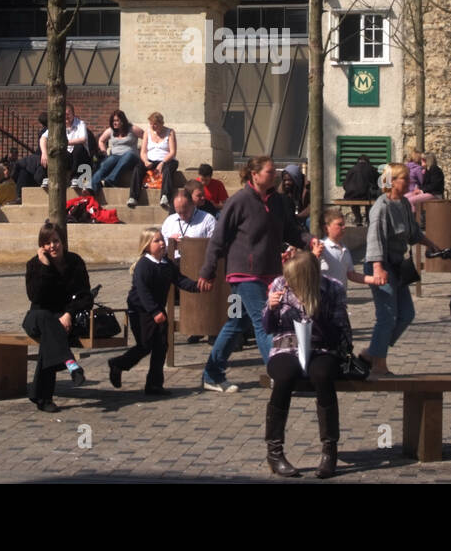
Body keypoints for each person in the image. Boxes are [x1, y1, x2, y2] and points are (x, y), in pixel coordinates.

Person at [197, 155, 320, 393]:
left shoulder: (279, 203)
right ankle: (279, 374)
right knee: (264, 321)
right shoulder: (239, 201)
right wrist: (207, 270)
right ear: (254, 174)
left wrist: (311, 240)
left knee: (237, 322)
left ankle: (212, 374)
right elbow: (218, 239)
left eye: (274, 171)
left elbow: (292, 232)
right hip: (244, 274)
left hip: (270, 273)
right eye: (269, 171)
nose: (274, 175)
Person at [262, 250, 352, 478]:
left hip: (321, 347)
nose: (289, 282)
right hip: (287, 345)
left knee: (322, 375)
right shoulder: (280, 284)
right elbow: (269, 327)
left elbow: (342, 334)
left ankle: (329, 450)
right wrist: (271, 309)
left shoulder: (332, 288)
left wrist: (316, 313)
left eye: (295, 278)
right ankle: (275, 452)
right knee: (284, 376)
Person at [363, 162, 438, 376]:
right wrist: (378, 268)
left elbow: (413, 233)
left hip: (398, 266)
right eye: (404, 178)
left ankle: (373, 351)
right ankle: (379, 365)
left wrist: (433, 245)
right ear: (392, 181)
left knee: (406, 314)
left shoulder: (404, 204)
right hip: (380, 265)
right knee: (386, 316)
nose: (409, 182)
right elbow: (374, 239)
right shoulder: (381, 206)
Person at [107, 228, 200, 396]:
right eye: (156, 241)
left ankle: (154, 385)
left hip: (157, 311)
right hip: (140, 310)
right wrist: (155, 311)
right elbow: (143, 292)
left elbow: (180, 280)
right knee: (144, 345)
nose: (162, 243)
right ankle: (118, 364)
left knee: (161, 345)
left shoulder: (166, 264)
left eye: (162, 240)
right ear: (147, 245)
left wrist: (197, 286)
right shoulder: (144, 265)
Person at [23, 222, 92, 412]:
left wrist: (69, 313)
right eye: (46, 243)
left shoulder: (75, 262)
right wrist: (45, 268)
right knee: (47, 321)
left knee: (50, 339)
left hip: (63, 321)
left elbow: (85, 296)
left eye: (55, 241)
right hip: (37, 316)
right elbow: (35, 297)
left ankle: (42, 398)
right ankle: (70, 363)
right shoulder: (34, 264)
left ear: (62, 241)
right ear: (41, 246)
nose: (52, 246)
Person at [130, 112, 179, 210]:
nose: (153, 126)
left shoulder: (170, 132)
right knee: (137, 168)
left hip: (166, 160)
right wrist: (145, 161)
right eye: (151, 124)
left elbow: (173, 152)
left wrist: (162, 163)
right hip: (151, 159)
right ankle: (133, 197)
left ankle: (165, 197)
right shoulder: (147, 132)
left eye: (155, 124)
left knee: (168, 170)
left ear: (161, 123)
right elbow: (143, 152)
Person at [88, 109, 145, 195]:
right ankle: (92, 186)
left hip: (131, 158)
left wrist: (143, 152)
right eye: (113, 121)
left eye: (117, 120)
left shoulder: (132, 129)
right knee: (105, 164)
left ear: (123, 121)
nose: (114, 123)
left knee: (128, 155)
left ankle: (110, 180)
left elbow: (146, 137)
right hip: (115, 156)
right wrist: (104, 151)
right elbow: (101, 140)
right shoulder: (110, 130)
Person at [318, 209, 375, 289]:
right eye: (339, 225)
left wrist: (374, 280)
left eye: (344, 224)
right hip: (325, 298)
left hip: (340, 298)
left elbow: (351, 275)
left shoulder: (345, 249)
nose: (344, 227)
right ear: (326, 228)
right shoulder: (321, 247)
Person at [39, 105, 93, 188]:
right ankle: (48, 177)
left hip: (81, 157)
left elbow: (83, 139)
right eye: (64, 114)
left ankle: (75, 177)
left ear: (73, 114)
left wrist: (63, 143)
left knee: (78, 147)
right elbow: (43, 138)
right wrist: (44, 153)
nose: (66, 117)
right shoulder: (57, 125)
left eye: (68, 114)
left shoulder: (80, 124)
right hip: (66, 156)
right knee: (51, 149)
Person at [342, 154, 380, 224]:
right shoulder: (372, 169)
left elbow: (345, 184)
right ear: (368, 161)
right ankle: (368, 219)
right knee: (371, 198)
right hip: (367, 196)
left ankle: (358, 218)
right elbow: (378, 183)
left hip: (352, 195)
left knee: (353, 200)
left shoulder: (351, 170)